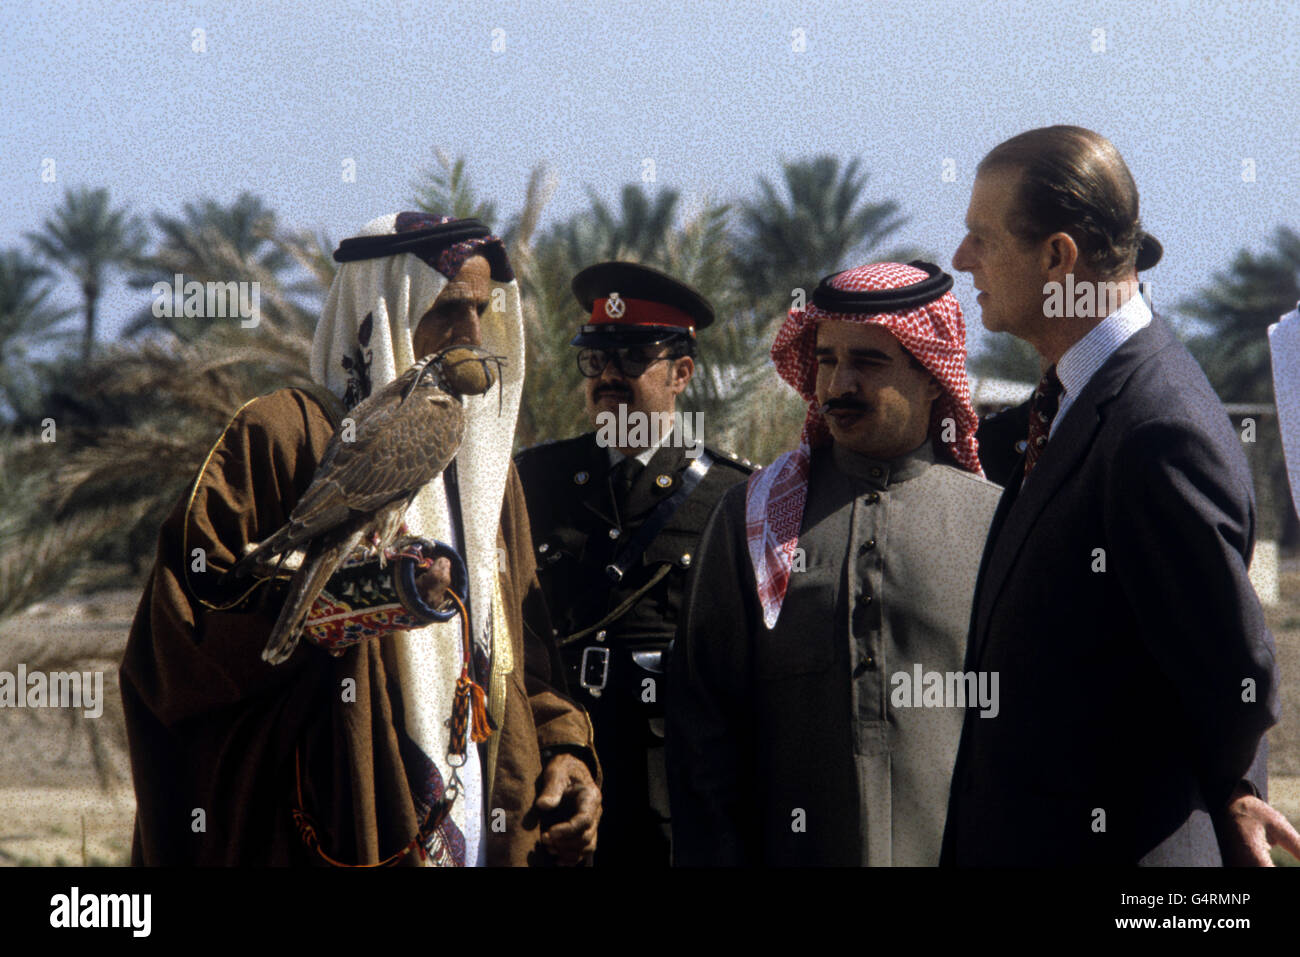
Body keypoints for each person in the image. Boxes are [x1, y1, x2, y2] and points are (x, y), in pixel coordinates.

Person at [121, 213, 600, 867]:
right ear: (385, 313)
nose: (471, 334)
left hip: (480, 816)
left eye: (483, 313)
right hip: (339, 813)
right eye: (450, 310)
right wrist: (370, 598)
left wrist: (563, 746)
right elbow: (180, 636)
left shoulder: (492, 474)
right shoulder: (282, 435)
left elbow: (522, 646)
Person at [943, 125, 1298, 866]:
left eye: (982, 236)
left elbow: (1235, 676)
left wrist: (1228, 787)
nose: (961, 259)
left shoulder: (1152, 425)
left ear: (1057, 256)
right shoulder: (1078, 401)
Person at [667, 260, 1002, 866]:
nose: (839, 385)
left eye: (869, 363)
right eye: (826, 360)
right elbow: (702, 726)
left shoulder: (1000, 525)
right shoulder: (754, 516)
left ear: (933, 377)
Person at [514, 261, 752, 866]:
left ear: (681, 372)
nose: (609, 376)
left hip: (673, 788)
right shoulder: (532, 482)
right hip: (551, 777)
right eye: (595, 360)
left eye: (631, 358)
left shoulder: (733, 494)